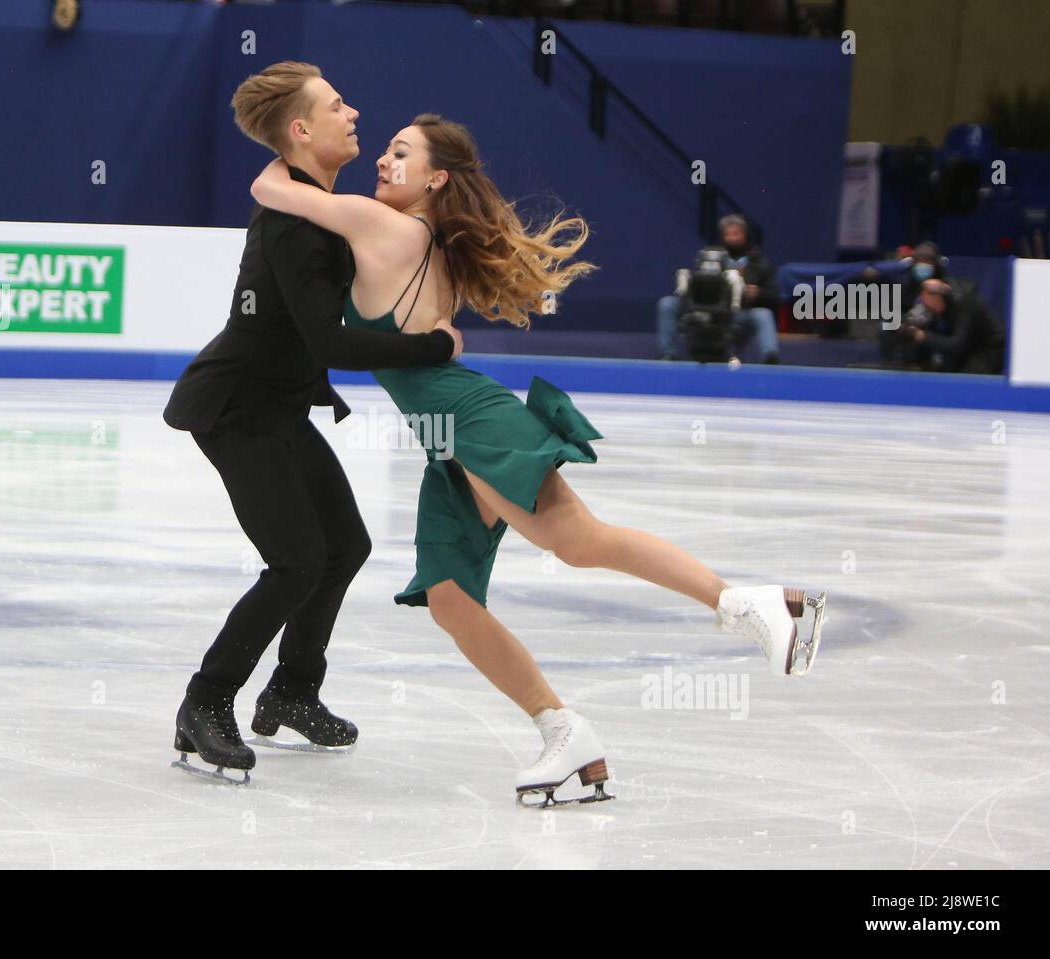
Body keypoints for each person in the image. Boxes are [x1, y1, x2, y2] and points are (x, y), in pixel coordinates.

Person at [252, 114, 826, 803]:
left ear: (436, 177)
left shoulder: (386, 226)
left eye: (399, 153)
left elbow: (273, 186)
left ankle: (744, 602)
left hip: (471, 421)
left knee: (577, 539)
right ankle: (564, 730)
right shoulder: (427, 238)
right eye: (383, 150)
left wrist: (293, 137)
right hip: (448, 438)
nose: (382, 160)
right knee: (451, 600)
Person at [162, 63, 463, 778]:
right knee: (296, 561)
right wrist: (433, 346)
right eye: (335, 106)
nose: (352, 111)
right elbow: (330, 341)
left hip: (281, 406)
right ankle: (204, 702)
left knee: (345, 545)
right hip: (238, 409)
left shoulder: (311, 204)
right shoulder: (296, 223)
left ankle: (293, 689)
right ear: (301, 131)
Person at [657, 215, 781, 363]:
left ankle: (770, 356)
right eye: (728, 234)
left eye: (736, 234)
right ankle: (668, 353)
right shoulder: (708, 256)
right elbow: (697, 281)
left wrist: (758, 294)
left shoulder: (760, 263)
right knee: (667, 304)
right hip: (704, 307)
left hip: (738, 312)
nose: (732, 238)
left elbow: (775, 296)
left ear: (745, 235)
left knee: (763, 314)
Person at [905, 278, 1006, 374]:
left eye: (927, 305)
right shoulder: (944, 306)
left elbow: (957, 343)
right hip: (968, 347)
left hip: (990, 347)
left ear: (937, 296)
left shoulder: (965, 303)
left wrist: (923, 336)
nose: (927, 309)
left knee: (968, 377)